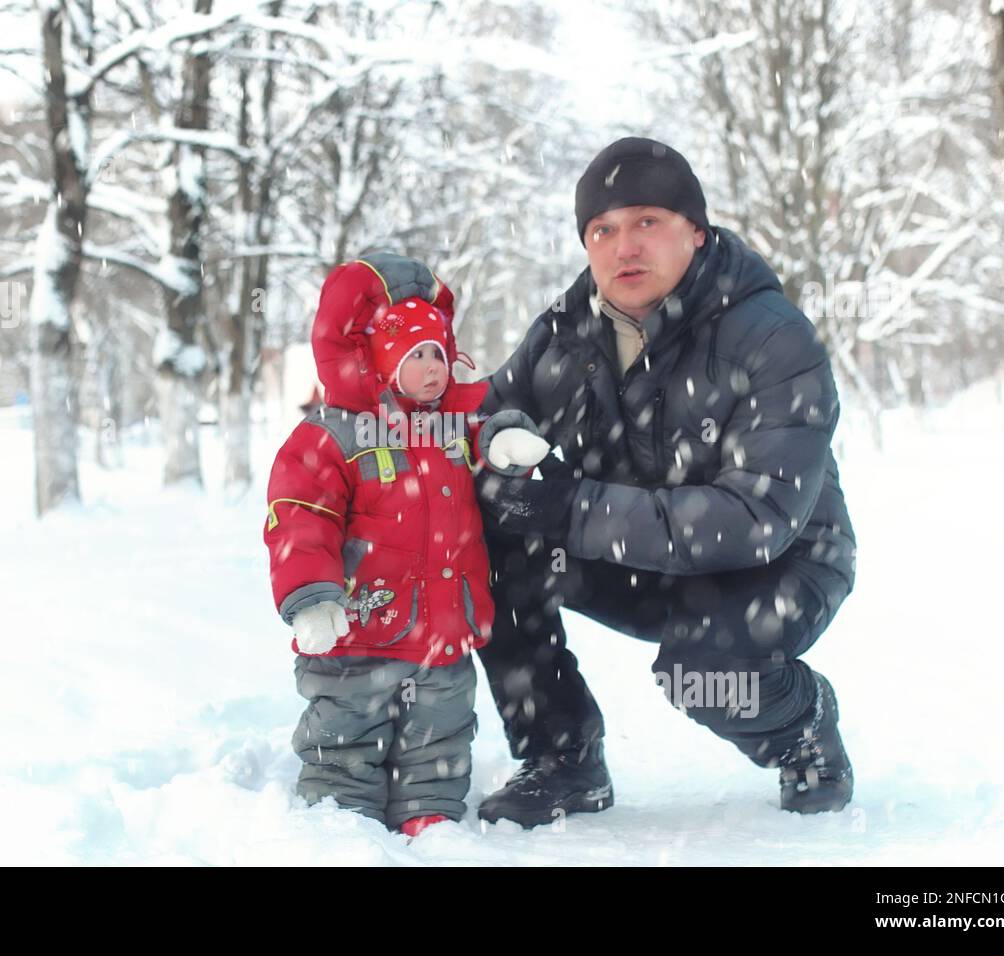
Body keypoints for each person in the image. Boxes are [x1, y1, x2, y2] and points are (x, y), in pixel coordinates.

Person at [471, 136, 858, 828]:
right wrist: (497, 438)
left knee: (700, 673)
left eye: (647, 221)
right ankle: (564, 761)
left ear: (696, 232)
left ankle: (802, 726)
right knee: (491, 545)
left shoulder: (771, 338)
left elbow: (755, 517)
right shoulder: (565, 334)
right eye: (603, 229)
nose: (625, 247)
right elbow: (491, 408)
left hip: (782, 562)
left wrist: (571, 509)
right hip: (640, 554)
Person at [263, 252, 550, 835]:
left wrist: (504, 442)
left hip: (441, 637)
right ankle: (341, 826)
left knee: (439, 735)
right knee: (345, 737)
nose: (432, 368)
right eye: (415, 355)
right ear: (378, 359)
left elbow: (486, 426)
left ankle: (432, 821)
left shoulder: (452, 428)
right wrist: (312, 597)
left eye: (438, 354)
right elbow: (299, 516)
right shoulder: (333, 436)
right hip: (357, 638)